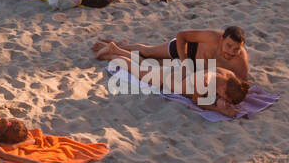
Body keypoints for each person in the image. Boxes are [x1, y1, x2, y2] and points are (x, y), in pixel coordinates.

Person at [92, 41, 250, 117]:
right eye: (226, 98)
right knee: (138, 70)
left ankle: (117, 49)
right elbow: (197, 101)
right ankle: (113, 54)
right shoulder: (206, 81)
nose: (226, 101)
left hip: (180, 71)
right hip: (170, 80)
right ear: (223, 91)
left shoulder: (229, 75)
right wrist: (219, 109)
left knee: (145, 66)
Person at [95, 25, 250, 83]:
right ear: (222, 39)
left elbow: (243, 85)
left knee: (152, 64)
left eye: (236, 49)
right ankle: (121, 46)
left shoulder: (239, 61)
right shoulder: (211, 37)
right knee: (148, 52)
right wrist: (184, 63)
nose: (231, 52)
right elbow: (182, 35)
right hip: (187, 49)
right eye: (228, 46)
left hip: (197, 67)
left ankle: (117, 47)